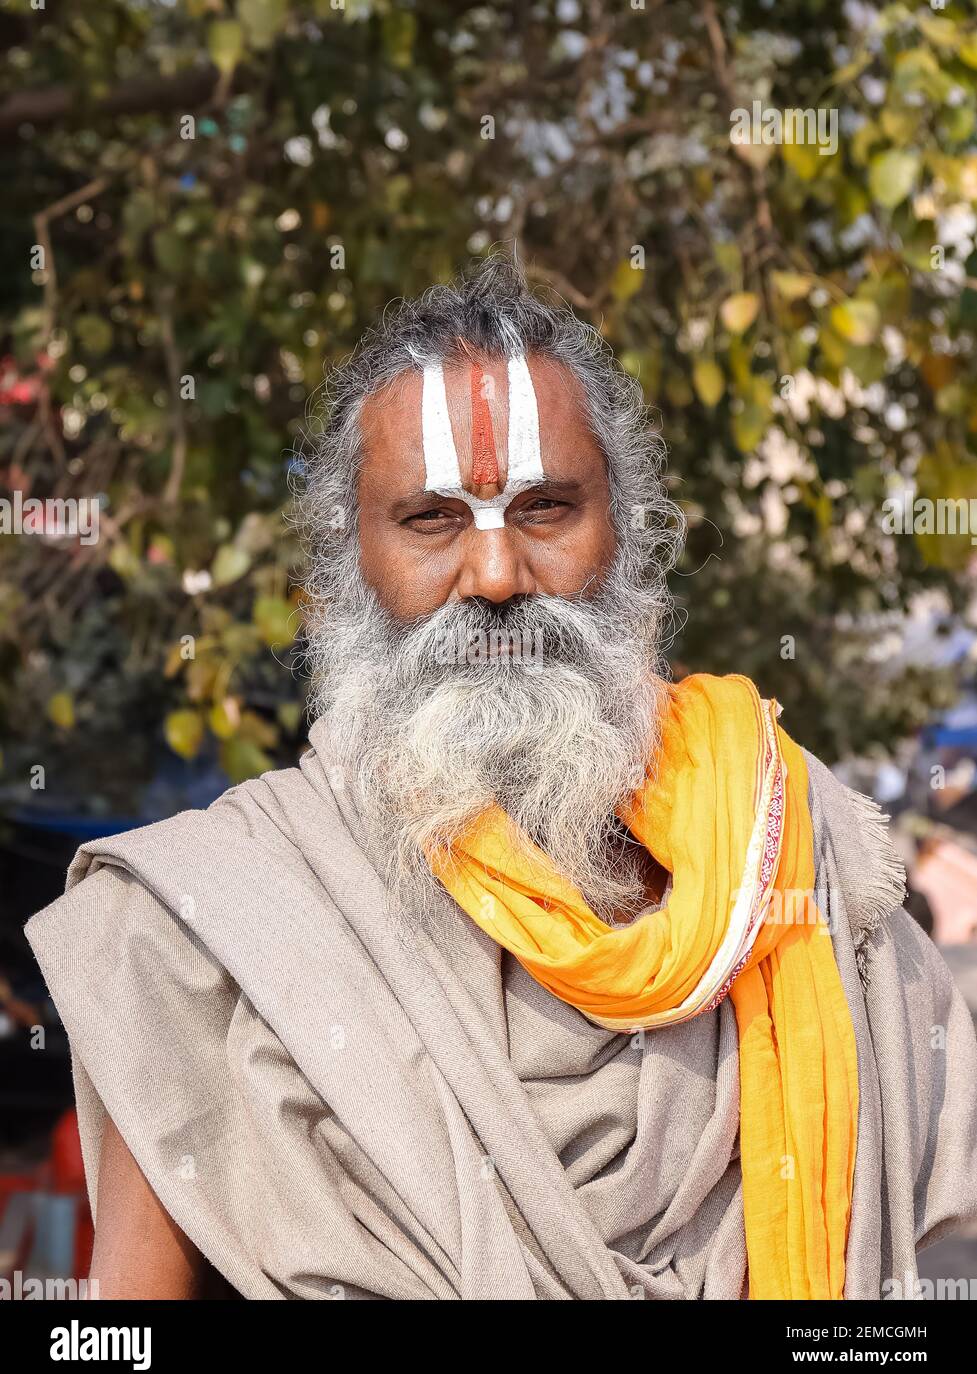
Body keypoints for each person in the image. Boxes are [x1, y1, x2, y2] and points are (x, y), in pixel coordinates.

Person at [25, 256, 977, 1300]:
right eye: (430, 520)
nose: (492, 578)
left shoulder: (795, 858)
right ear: (350, 562)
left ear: (626, 534)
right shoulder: (208, 924)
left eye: (544, 509)